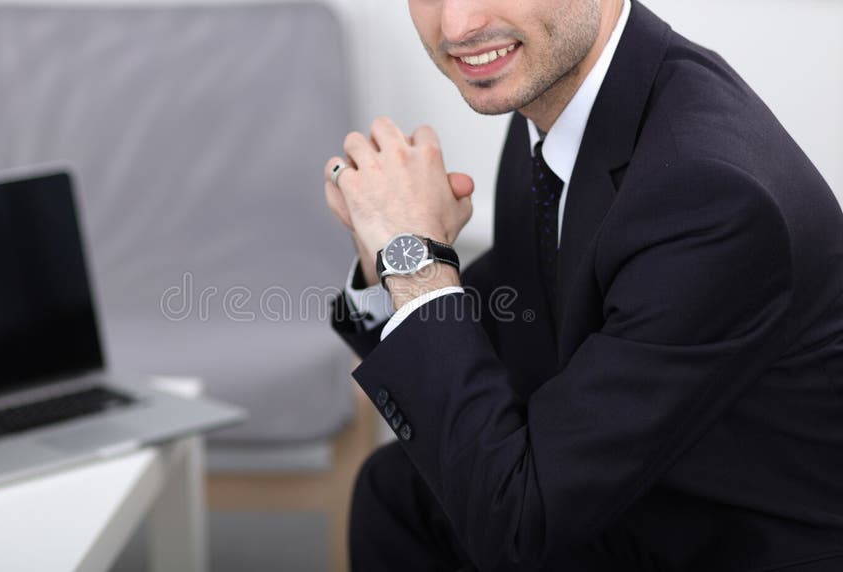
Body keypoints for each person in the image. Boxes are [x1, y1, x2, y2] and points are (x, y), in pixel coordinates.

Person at [323, 0, 843, 570]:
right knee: (395, 492)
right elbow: (523, 328)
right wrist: (388, 253)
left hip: (727, 546)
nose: (457, 26)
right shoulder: (564, 102)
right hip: (635, 494)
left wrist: (414, 257)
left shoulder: (709, 193)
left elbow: (519, 527)